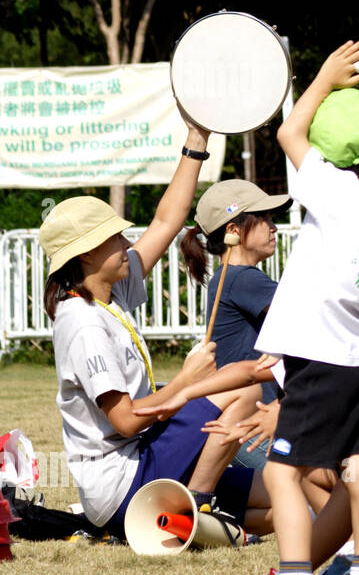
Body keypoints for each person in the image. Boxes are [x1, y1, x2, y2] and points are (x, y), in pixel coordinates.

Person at [225, 39, 359, 575]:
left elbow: (289, 132)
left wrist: (324, 76)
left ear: (333, 156)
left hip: (319, 361)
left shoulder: (333, 192)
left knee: (281, 472)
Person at [40, 117, 272, 544]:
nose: (127, 241)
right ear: (88, 255)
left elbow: (167, 220)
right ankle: (199, 501)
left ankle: (194, 517)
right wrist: (186, 382)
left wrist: (196, 140)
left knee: (276, 502)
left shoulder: (109, 289)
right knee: (246, 389)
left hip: (146, 459)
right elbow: (127, 421)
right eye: (115, 237)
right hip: (125, 483)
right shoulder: (83, 322)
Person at [180, 180, 290, 470]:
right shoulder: (242, 278)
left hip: (241, 420)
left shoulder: (229, 276)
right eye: (263, 219)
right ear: (233, 231)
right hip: (248, 425)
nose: (273, 227)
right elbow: (308, 315)